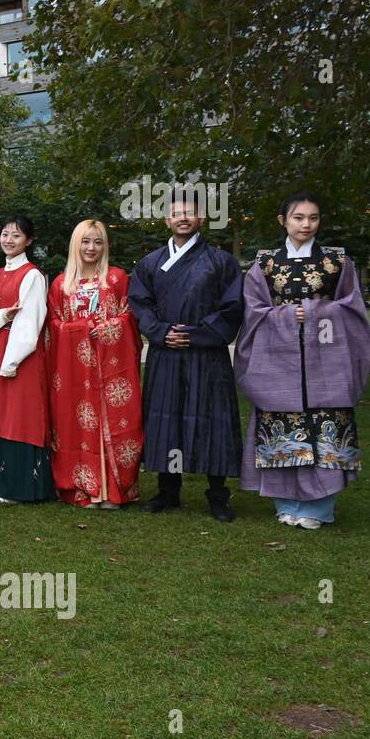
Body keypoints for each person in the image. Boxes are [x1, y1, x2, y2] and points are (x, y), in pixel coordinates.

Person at [234, 192, 370, 529]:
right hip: (279, 363)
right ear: (284, 220)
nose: (306, 224)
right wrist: (286, 316)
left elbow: (353, 307)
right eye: (299, 217)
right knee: (283, 432)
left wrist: (313, 311)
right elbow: (253, 310)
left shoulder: (337, 261)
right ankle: (286, 504)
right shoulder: (266, 263)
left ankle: (318, 508)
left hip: (326, 363)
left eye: (313, 218)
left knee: (326, 432)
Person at [129, 197, 243, 522]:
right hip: (166, 353)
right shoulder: (151, 262)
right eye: (176, 214)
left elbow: (233, 307)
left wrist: (197, 335)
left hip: (206, 354)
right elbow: (140, 303)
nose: (182, 218)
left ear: (201, 218)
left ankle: (218, 494)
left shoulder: (221, 261)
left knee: (212, 419)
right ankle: (169, 491)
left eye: (189, 213)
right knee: (169, 418)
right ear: (166, 220)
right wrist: (161, 332)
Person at [46, 219, 143, 509]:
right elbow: (53, 325)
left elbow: (129, 318)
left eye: (98, 242)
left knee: (112, 424)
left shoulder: (116, 279)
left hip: (110, 366)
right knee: (76, 425)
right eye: (85, 241)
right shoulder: (62, 284)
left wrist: (109, 327)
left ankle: (114, 490)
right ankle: (83, 489)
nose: (91, 248)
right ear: (76, 244)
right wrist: (75, 330)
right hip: (74, 370)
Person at [0, 216, 54, 503]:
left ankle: (23, 488)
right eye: (5, 234)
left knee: (20, 414)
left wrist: (12, 362)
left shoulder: (32, 275)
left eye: (17, 236)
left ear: (29, 241)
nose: (9, 240)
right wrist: (0, 316)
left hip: (21, 355)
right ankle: (0, 483)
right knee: (0, 413)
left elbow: (31, 321)